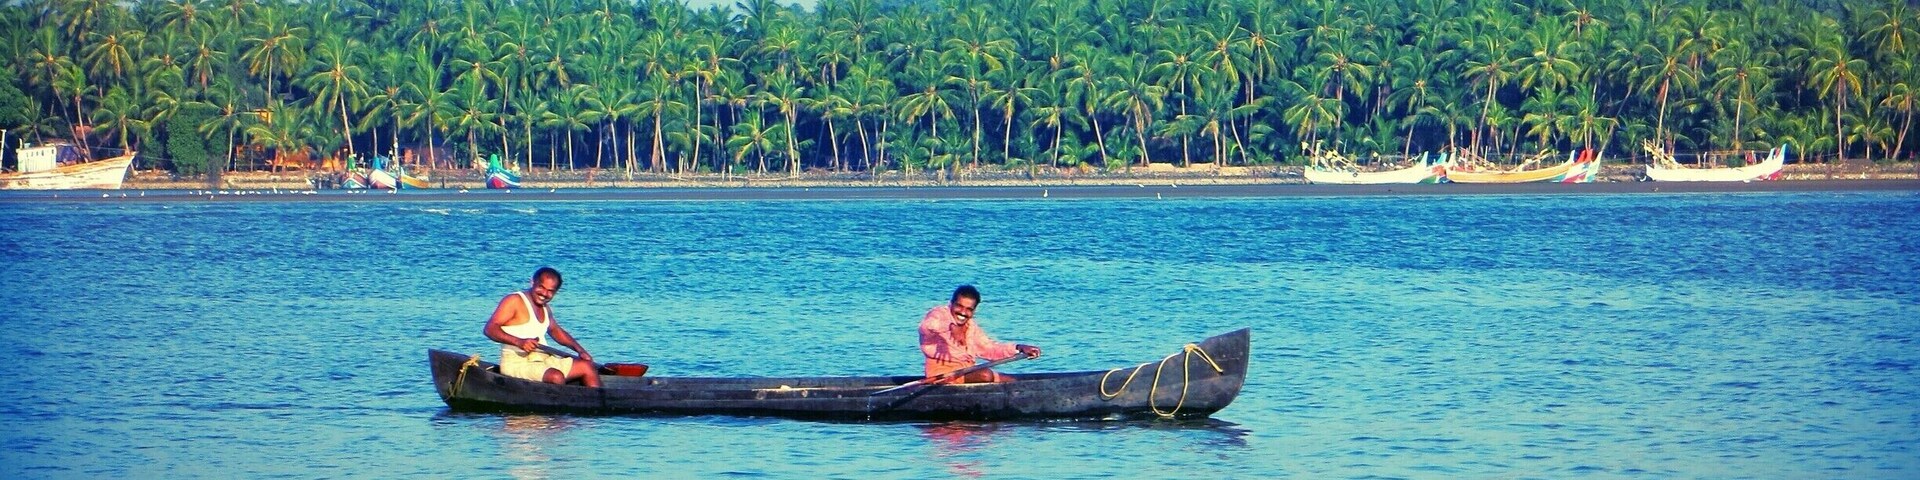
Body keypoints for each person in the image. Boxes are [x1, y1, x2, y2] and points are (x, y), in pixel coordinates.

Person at [484, 267, 601, 387]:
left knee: (587, 367)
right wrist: (519, 342)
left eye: (550, 291)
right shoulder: (514, 300)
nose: (544, 294)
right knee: (556, 376)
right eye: (541, 287)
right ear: (532, 282)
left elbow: (556, 331)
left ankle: (599, 403)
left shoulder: (546, 308)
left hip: (543, 360)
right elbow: (490, 329)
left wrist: (580, 350)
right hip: (517, 363)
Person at [918, 285, 1040, 384]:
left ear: (974, 311)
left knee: (1012, 382)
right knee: (985, 375)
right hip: (941, 375)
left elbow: (989, 349)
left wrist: (1018, 348)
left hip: (967, 371)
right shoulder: (938, 314)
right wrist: (949, 327)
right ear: (951, 304)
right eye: (959, 306)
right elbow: (926, 327)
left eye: (969, 309)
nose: (963, 313)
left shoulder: (971, 326)